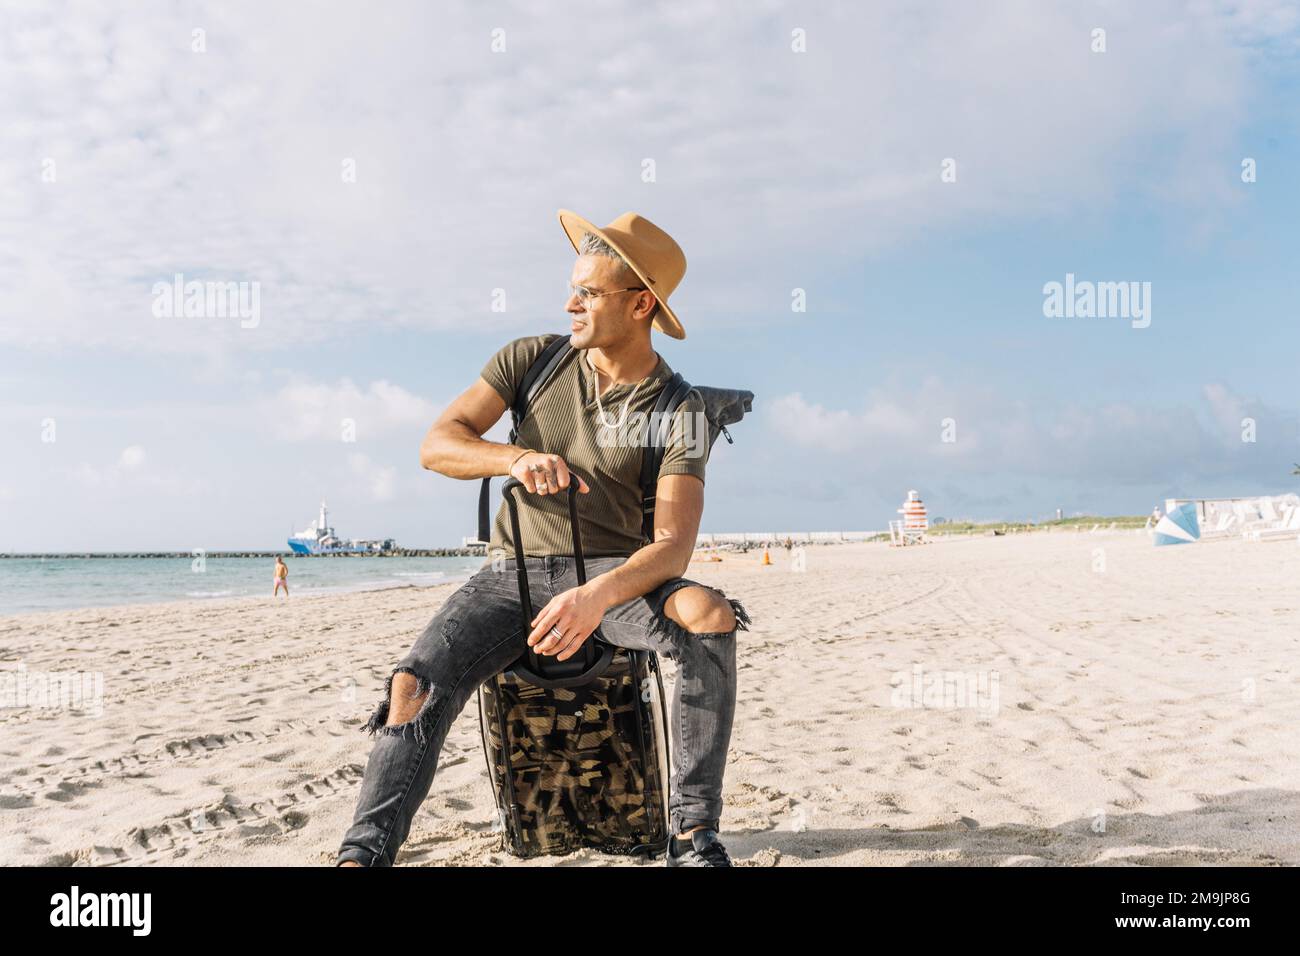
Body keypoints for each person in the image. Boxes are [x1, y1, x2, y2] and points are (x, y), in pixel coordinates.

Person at [336, 209, 750, 868]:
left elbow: (672, 546)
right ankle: (363, 854)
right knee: (412, 685)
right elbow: (437, 444)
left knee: (709, 613)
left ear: (641, 304)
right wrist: (512, 458)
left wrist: (594, 599)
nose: (571, 303)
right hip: (511, 577)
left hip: (620, 579)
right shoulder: (530, 360)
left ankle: (693, 835)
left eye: (589, 293)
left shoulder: (681, 410)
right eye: (573, 288)